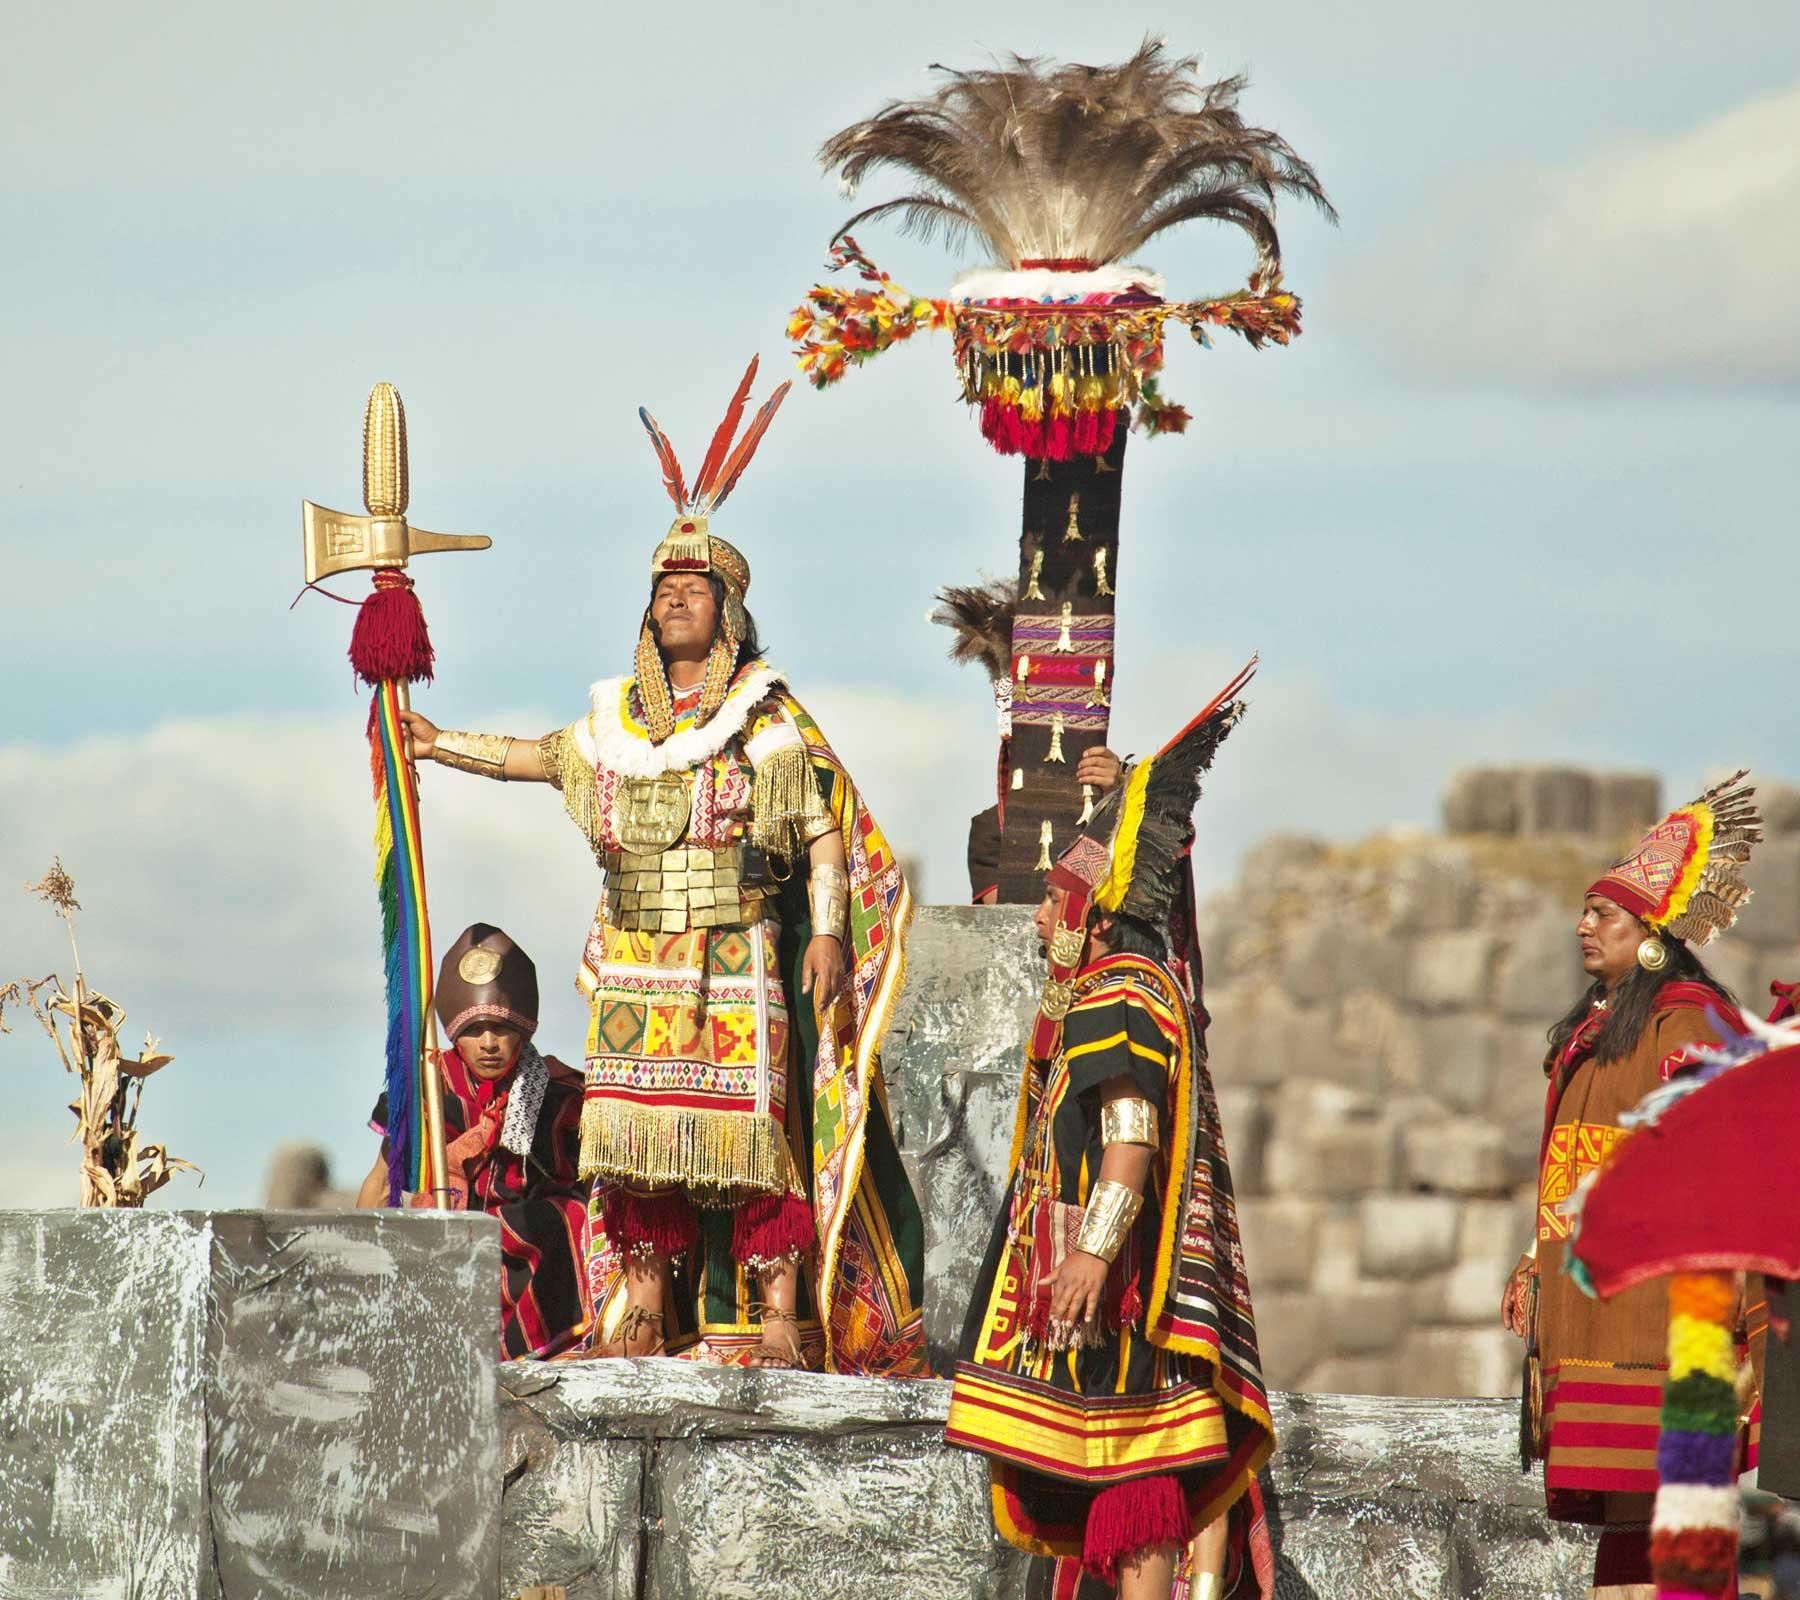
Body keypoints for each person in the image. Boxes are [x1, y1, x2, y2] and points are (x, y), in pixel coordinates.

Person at [397, 358, 925, 1375]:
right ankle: (640, 1301)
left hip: (730, 950)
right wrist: (431, 741)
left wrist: (822, 930)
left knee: (747, 1136)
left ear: (728, 610)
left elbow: (819, 821)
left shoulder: (763, 713)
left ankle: (778, 1310)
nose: (678, 599)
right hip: (639, 949)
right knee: (636, 1137)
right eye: (666, 588)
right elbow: (532, 756)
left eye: (696, 587)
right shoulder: (613, 724)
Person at [946, 661, 1274, 1600]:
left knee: (1134, 1496)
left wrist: (1090, 1255)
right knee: (1125, 1499)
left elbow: (1130, 1133)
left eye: (1058, 900)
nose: (1047, 914)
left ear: (1090, 912)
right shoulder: (1139, 989)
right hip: (1131, 1288)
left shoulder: (1116, 996)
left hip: (1118, 1291)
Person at [1501, 774, 1761, 1599]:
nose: (1583, 926)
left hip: (1661, 1318)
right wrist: (1535, 1262)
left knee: (1671, 1512)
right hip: (1593, 1314)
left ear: (1651, 935)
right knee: (1623, 1517)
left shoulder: (1685, 1026)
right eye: (1584, 910)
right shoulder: (1599, 1031)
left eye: (1602, 914)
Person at [357, 923, 590, 1360]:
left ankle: (541, 1347)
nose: (488, 1044)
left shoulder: (558, 1094)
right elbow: (381, 1180)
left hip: (528, 1254)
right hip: (438, 1243)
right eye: (475, 1029)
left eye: (500, 1029)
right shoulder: (421, 1090)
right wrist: (359, 1263)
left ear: (523, 1031)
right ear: (451, 1032)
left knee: (570, 1216)